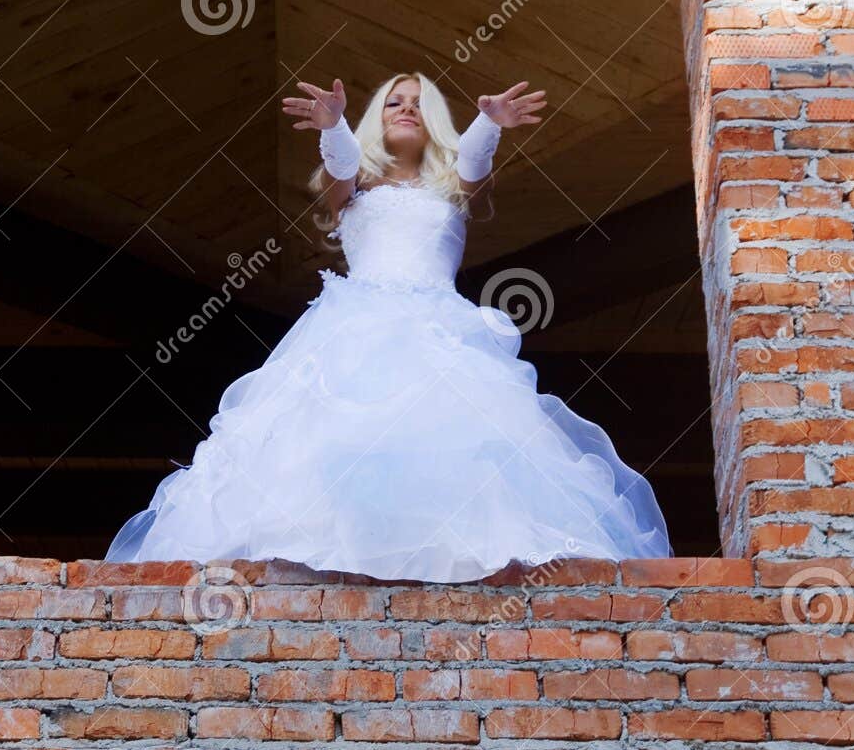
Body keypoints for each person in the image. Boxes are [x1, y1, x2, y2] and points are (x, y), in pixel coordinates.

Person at [105, 72, 671, 579]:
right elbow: (342, 169)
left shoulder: (451, 190)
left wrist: (487, 122)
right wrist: (333, 127)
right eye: (394, 102)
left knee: (459, 449)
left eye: (419, 104)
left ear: (435, 125)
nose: (406, 108)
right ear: (375, 119)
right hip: (355, 328)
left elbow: (472, 167)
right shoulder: (354, 189)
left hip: (440, 330)